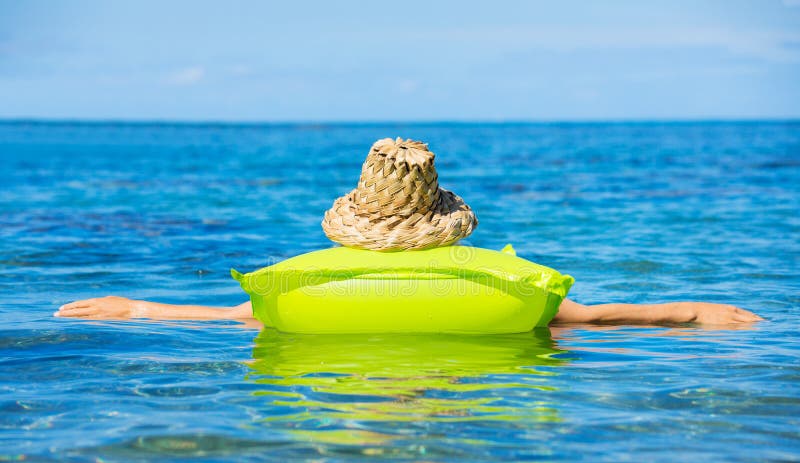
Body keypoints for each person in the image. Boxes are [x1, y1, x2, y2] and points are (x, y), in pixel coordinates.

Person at [55, 138, 763, 327]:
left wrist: (137, 308)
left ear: (352, 226)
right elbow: (603, 317)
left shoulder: (308, 291)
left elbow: (230, 317)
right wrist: (695, 309)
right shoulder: (495, 290)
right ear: (444, 227)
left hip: (341, 393)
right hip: (470, 395)